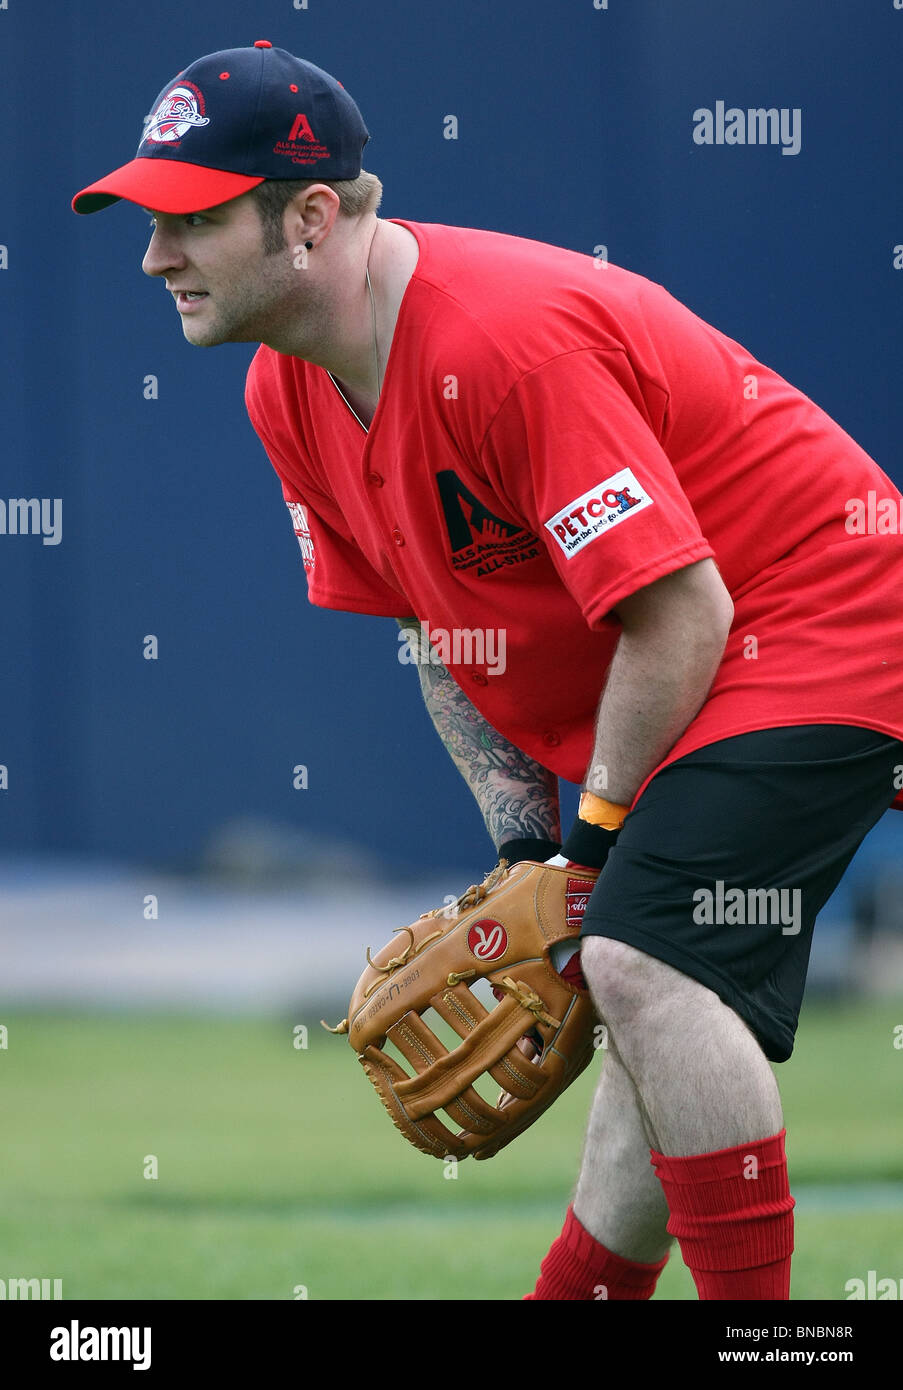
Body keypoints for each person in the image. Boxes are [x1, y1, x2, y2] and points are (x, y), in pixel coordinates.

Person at [73, 41, 903, 1301]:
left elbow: (682, 612)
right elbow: (439, 631)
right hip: (717, 654)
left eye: (189, 218)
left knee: (637, 959)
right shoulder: (283, 391)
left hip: (827, 610)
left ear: (307, 217)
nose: (155, 257)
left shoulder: (505, 344)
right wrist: (528, 855)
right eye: (148, 220)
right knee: (635, 966)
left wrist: (599, 840)